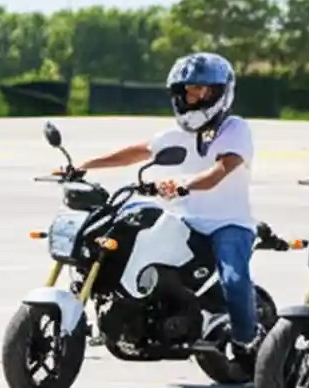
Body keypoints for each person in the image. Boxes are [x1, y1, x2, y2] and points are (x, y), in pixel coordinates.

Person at [73, 52, 264, 354]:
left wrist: (182, 184)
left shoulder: (234, 129)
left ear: (220, 93)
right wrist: (85, 166)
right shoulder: (176, 134)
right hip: (181, 220)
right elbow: (134, 152)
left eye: (203, 90)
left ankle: (248, 340)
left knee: (233, 277)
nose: (195, 96)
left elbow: (220, 171)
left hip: (227, 224)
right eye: (188, 90)